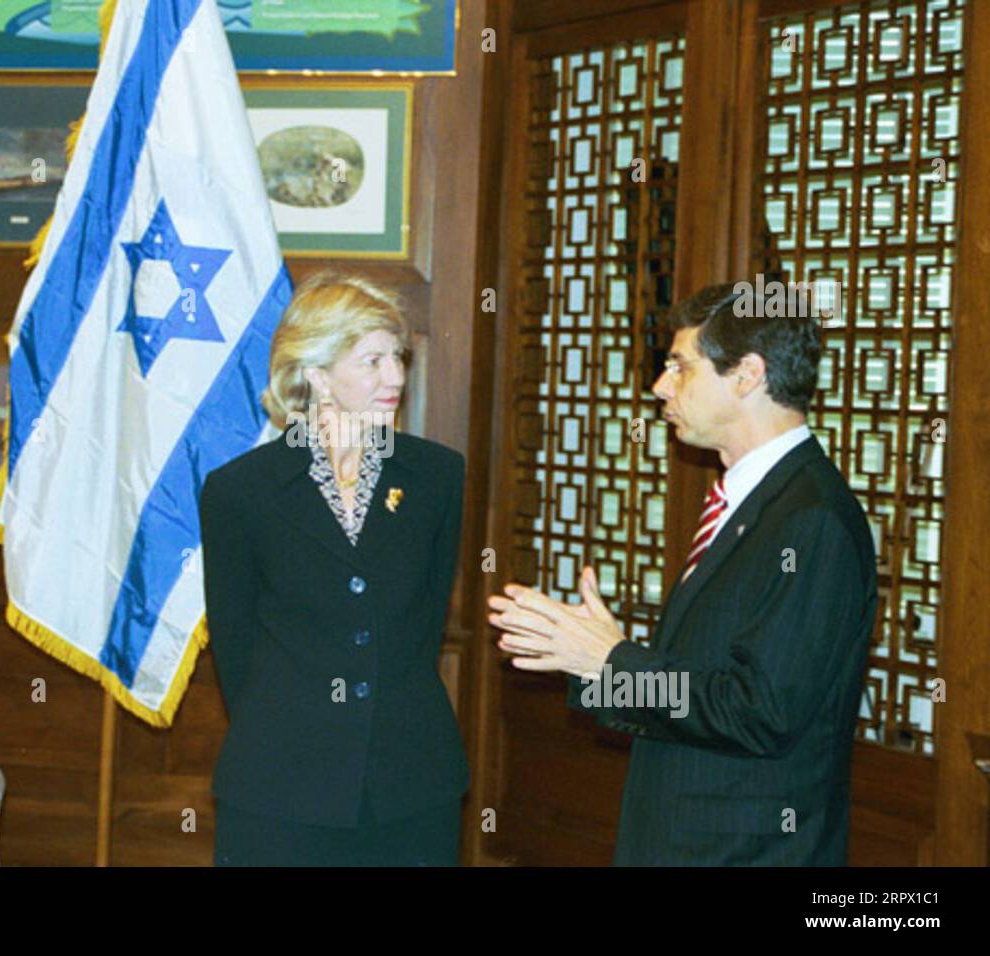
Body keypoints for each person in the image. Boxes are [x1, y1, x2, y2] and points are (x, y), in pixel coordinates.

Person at [489, 283, 877, 865]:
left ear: (747, 375)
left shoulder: (811, 519)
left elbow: (759, 711)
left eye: (679, 366)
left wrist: (612, 661)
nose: (659, 387)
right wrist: (591, 661)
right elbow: (703, 683)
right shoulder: (753, 501)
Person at [199, 272, 468, 866]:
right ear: (317, 374)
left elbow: (424, 628)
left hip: (410, 783)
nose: (395, 377)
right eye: (372, 361)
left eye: (398, 357)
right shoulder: (239, 492)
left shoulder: (437, 477)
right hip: (280, 785)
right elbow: (236, 646)